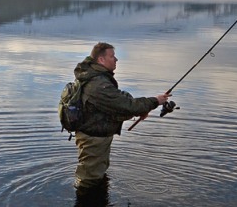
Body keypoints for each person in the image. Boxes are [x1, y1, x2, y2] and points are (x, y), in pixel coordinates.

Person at [71, 42, 170, 189]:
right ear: (101, 60)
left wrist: (140, 110)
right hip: (93, 138)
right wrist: (155, 101)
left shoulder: (95, 78)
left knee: (96, 174)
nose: (116, 59)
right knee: (89, 180)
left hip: (95, 135)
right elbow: (125, 105)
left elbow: (112, 105)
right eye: (112, 56)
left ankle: (95, 199)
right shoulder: (98, 84)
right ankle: (85, 201)